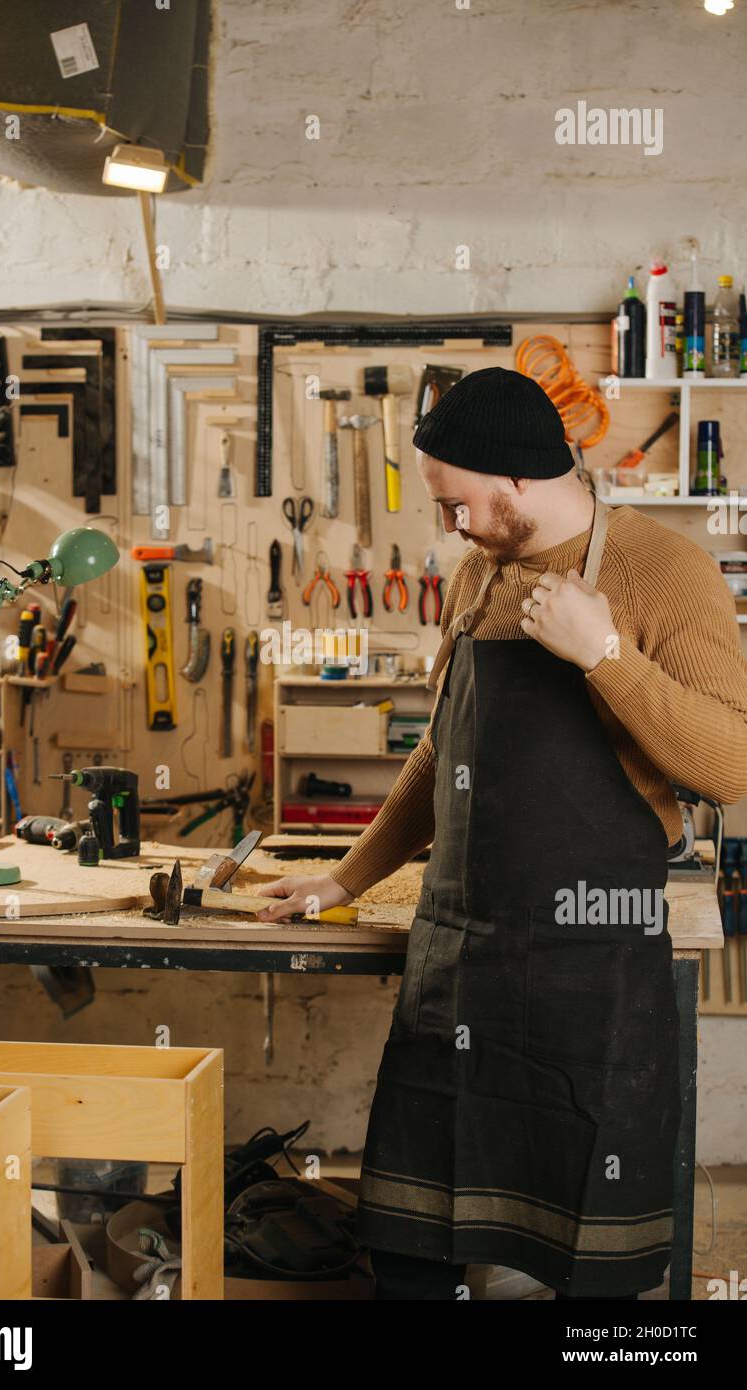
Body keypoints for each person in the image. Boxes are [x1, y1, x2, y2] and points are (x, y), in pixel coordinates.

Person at [257, 366, 747, 1301]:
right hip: (464, 953)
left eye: (456, 504)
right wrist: (344, 879)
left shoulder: (665, 572)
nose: (450, 527)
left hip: (590, 962)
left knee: (594, 1268)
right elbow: (442, 754)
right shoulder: (481, 574)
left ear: (517, 476)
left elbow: (729, 767)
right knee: (411, 1249)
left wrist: (604, 655)